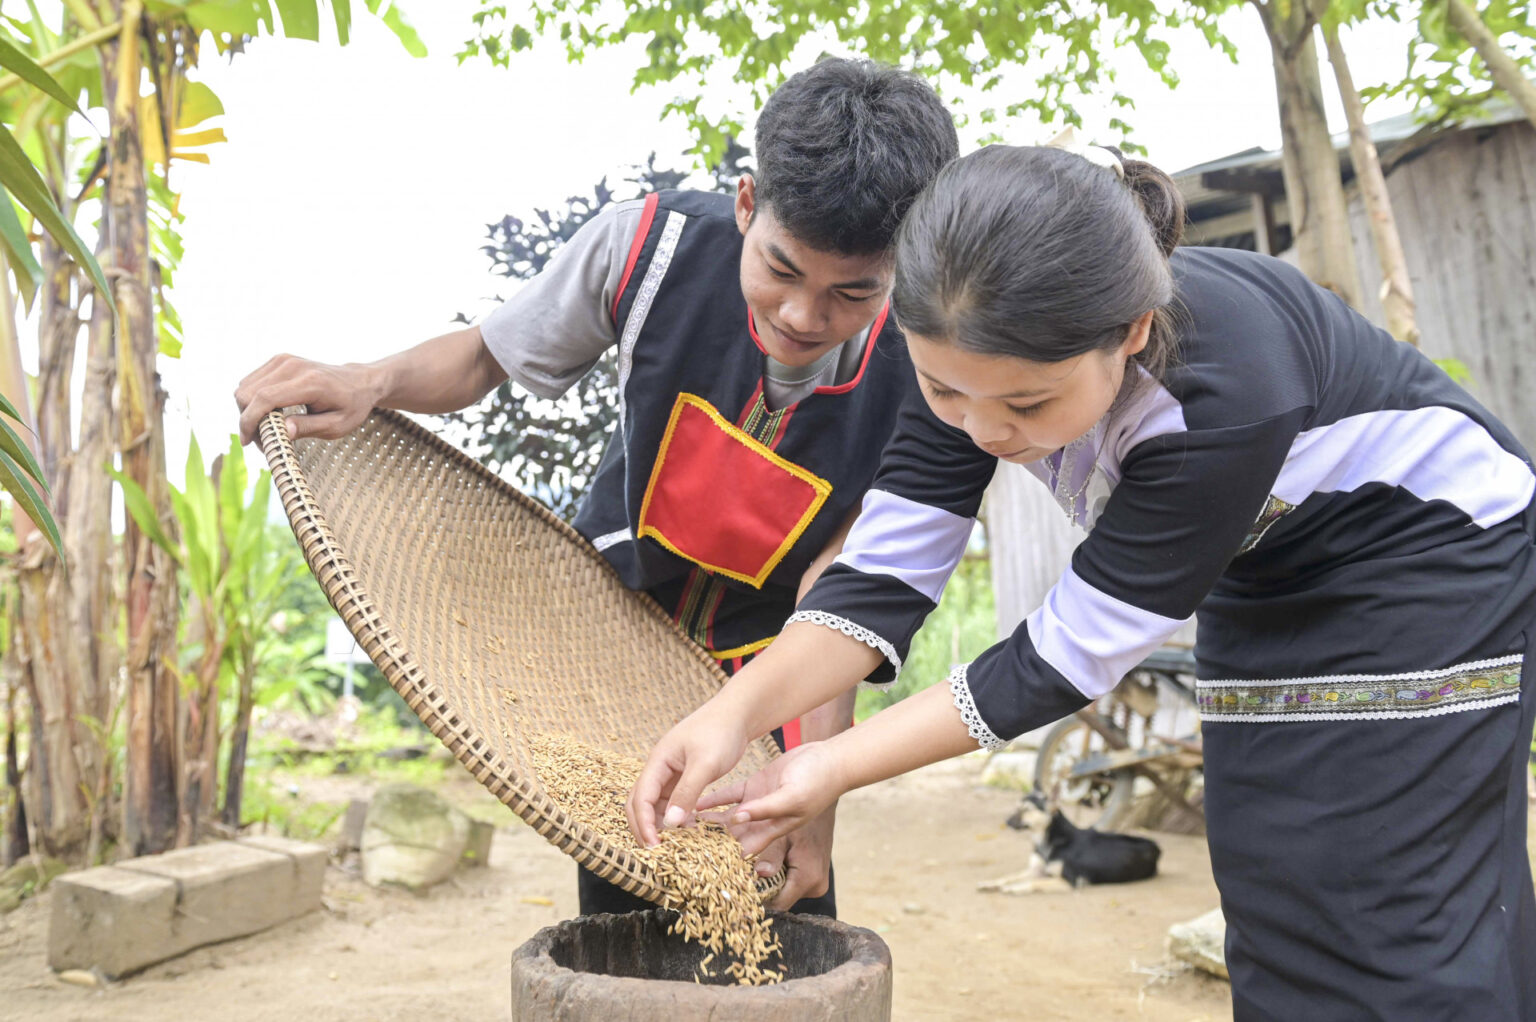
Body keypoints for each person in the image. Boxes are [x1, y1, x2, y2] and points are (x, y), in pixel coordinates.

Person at [628, 143, 1536, 1019]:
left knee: (1386, 892)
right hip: (1264, 574)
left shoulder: (1221, 396)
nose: (985, 432)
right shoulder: (965, 346)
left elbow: (1063, 655)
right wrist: (735, 713)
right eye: (946, 395)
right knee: (1276, 873)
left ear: (1131, 332)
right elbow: (882, 574)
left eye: (1027, 405)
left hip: (1429, 565)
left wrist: (829, 763)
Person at [235, 57, 959, 917]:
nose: (804, 317)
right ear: (745, 203)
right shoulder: (643, 248)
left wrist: (816, 788)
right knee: (627, 885)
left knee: (782, 903)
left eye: (852, 294)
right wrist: (372, 381)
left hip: (783, 666)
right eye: (782, 270)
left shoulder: (932, 366)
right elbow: (482, 357)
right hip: (608, 644)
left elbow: (836, 586)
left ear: (903, 273)